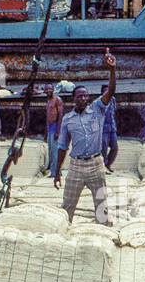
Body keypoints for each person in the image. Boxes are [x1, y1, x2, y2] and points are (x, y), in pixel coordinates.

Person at [54, 51, 117, 226]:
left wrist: (112, 70)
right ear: (73, 99)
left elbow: (110, 91)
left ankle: (104, 233)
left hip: (96, 164)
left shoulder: (97, 109)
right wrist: (57, 171)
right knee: (68, 205)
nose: (83, 98)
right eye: (79, 96)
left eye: (85, 96)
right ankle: (63, 231)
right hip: (76, 166)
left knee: (101, 205)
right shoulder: (68, 120)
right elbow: (62, 147)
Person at [45, 83, 66, 178]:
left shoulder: (57, 100)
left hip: (55, 127)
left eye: (50, 89)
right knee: (51, 151)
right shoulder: (48, 101)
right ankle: (56, 171)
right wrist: (46, 131)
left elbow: (60, 115)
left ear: (53, 89)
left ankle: (55, 172)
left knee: (55, 151)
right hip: (50, 127)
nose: (48, 91)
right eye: (46, 89)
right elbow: (48, 117)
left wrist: (58, 131)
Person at [100, 83, 119, 170]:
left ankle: (108, 164)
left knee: (114, 147)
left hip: (112, 127)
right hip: (103, 128)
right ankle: (103, 166)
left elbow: (113, 112)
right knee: (103, 148)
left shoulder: (113, 100)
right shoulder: (100, 102)